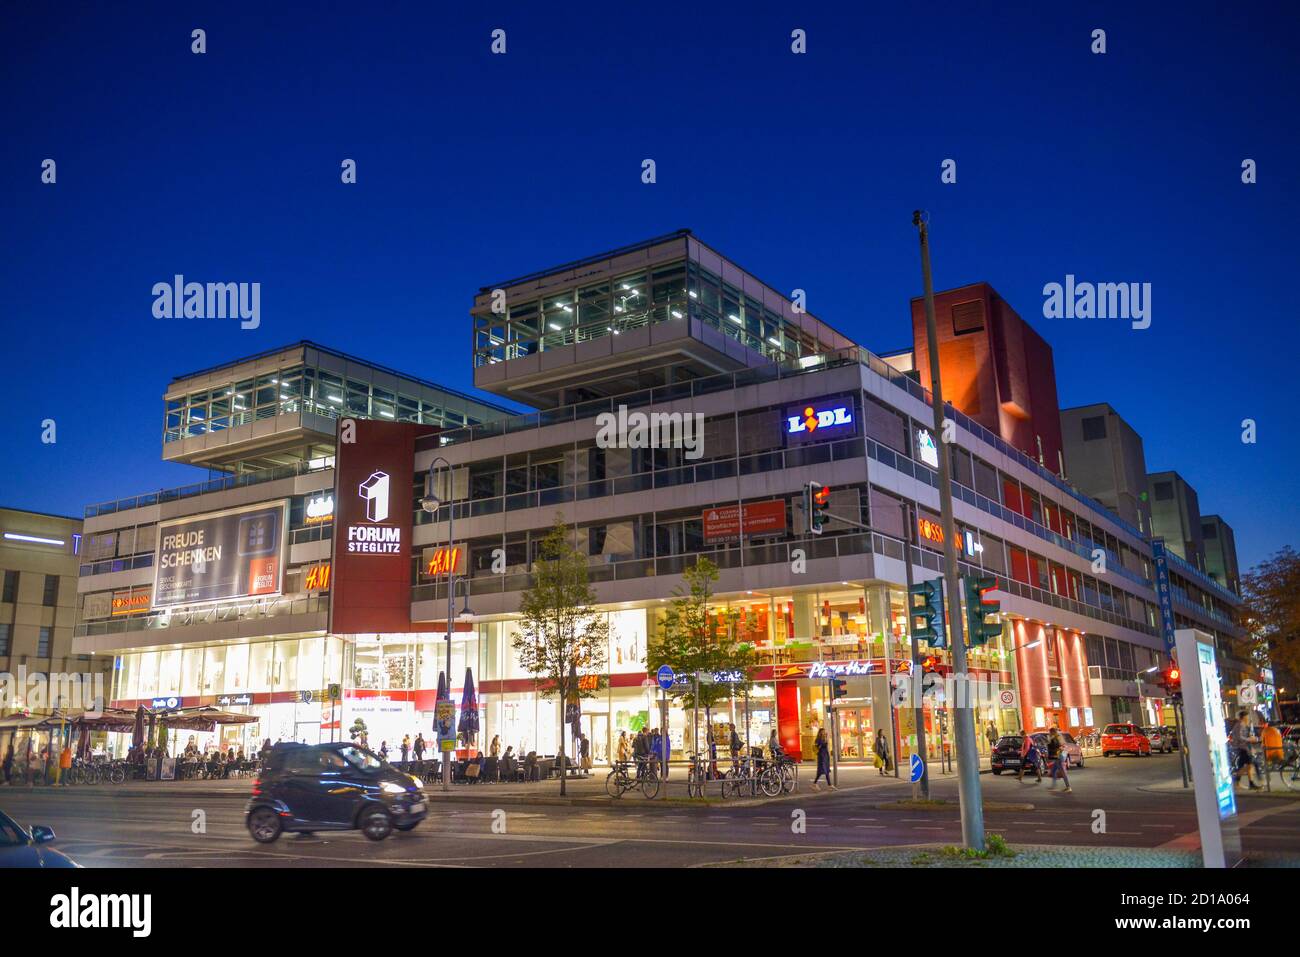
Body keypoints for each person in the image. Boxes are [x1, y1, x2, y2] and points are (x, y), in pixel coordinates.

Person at [1230, 711, 1261, 790]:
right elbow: (1239, 737)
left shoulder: (1243, 725)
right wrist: (1249, 739)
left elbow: (1243, 736)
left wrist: (1251, 738)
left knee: (1247, 766)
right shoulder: (1240, 725)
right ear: (1244, 717)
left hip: (1245, 748)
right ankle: (1236, 779)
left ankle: (1247, 783)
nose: (1248, 718)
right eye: (1247, 716)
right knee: (1249, 766)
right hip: (1242, 748)